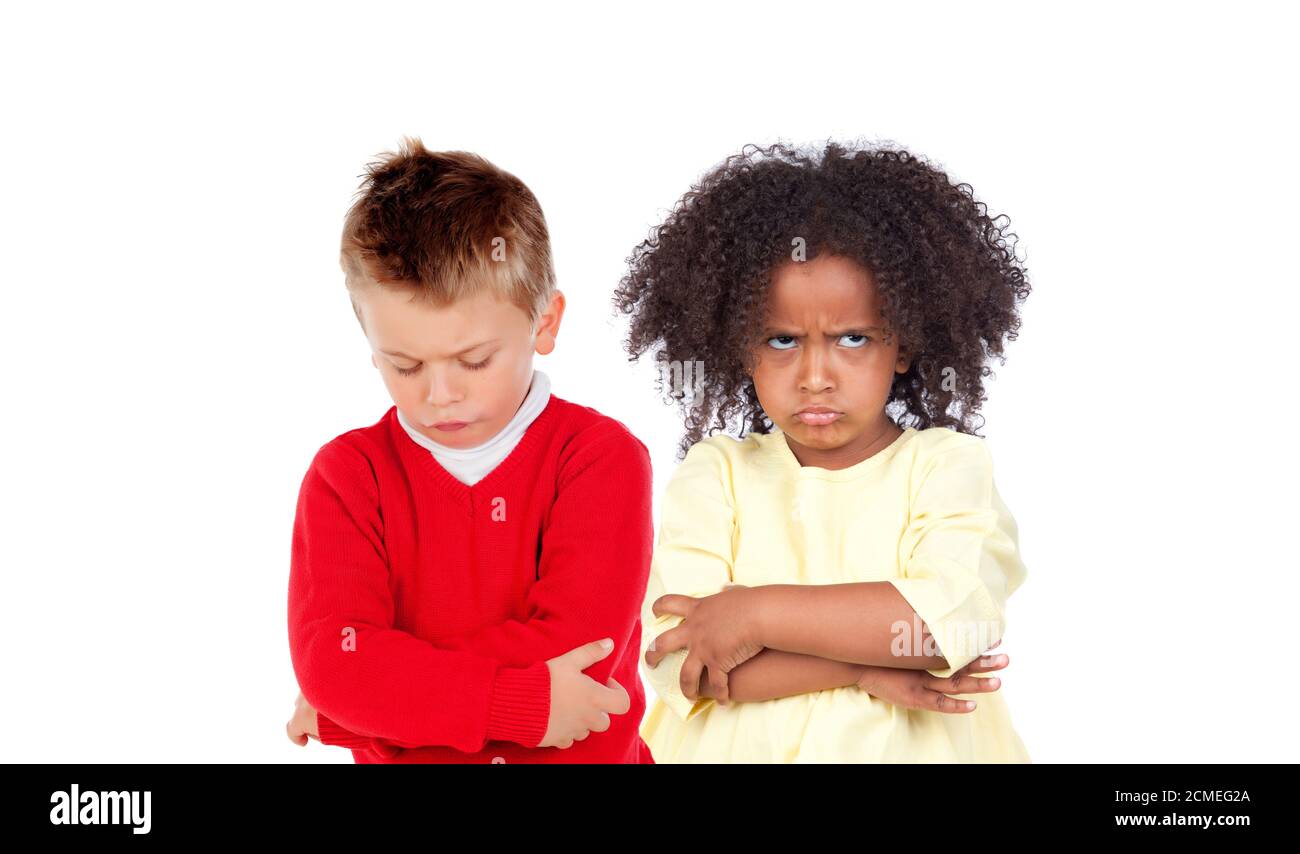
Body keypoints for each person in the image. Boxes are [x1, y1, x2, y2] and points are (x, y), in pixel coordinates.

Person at [614, 141, 1032, 762]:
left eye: (853, 338)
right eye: (782, 339)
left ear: (906, 344)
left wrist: (751, 617)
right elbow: (684, 666)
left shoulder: (947, 467)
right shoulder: (716, 477)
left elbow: (945, 624)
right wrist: (863, 670)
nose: (815, 375)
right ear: (739, 345)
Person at [285, 137, 654, 763]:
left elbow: (579, 647)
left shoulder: (599, 458)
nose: (440, 396)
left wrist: (363, 709)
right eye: (404, 366)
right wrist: (518, 703)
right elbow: (335, 661)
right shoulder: (347, 476)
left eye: (474, 360)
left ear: (545, 323)